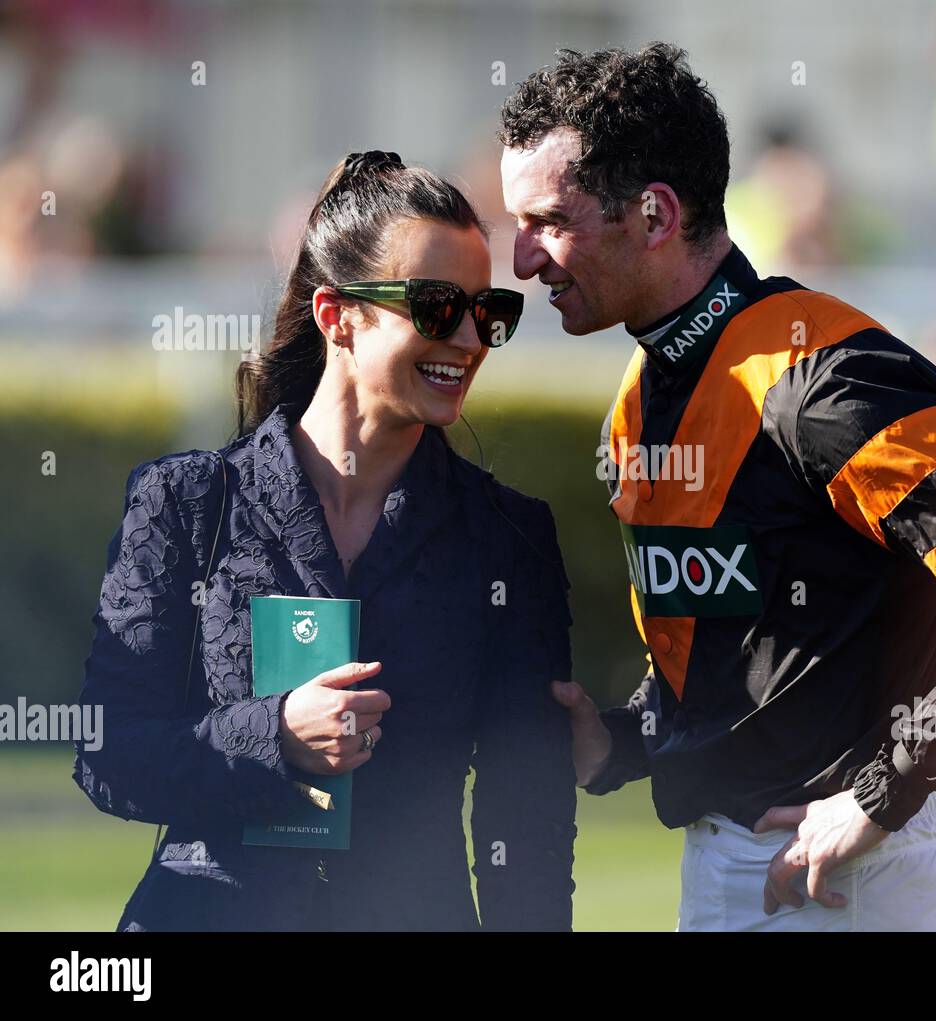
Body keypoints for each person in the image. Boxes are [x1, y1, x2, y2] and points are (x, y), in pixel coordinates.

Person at [499, 45, 936, 931]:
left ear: (656, 213)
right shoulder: (641, 401)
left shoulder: (829, 381)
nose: (523, 259)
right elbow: (752, 657)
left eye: (548, 220)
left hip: (845, 880)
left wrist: (879, 794)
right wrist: (624, 739)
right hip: (734, 866)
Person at [73, 150, 576, 931]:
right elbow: (108, 757)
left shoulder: (507, 536)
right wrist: (271, 734)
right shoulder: (185, 503)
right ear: (339, 316)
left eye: (491, 312)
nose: (472, 339)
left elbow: (528, 814)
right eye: (442, 307)